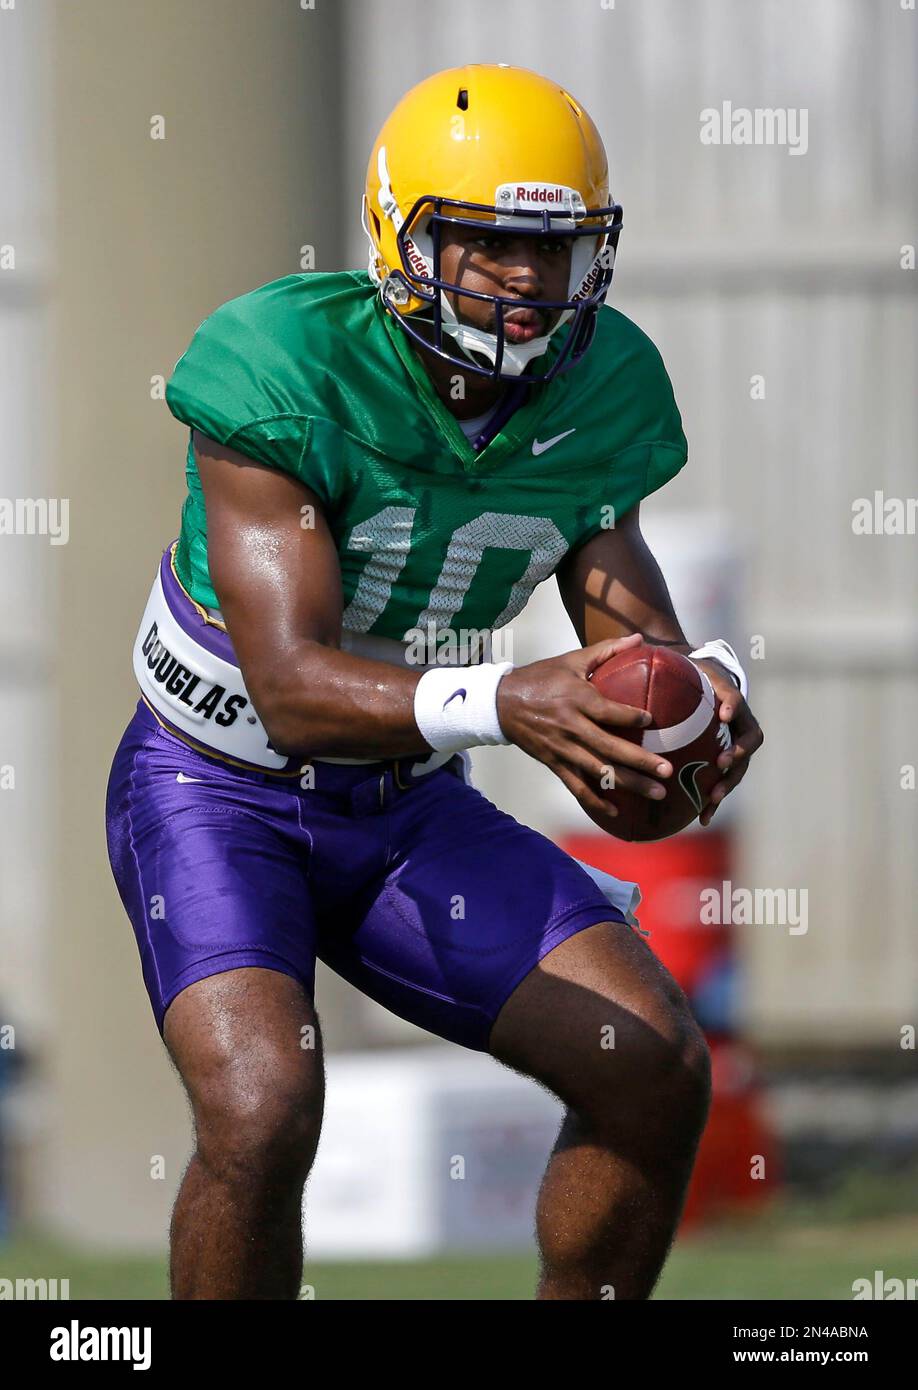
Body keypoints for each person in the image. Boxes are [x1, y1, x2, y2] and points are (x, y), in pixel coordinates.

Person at [106, 63, 763, 1300]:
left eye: (553, 248)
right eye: (486, 242)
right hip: (219, 787)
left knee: (653, 1061)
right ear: (406, 235)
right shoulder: (284, 359)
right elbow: (292, 686)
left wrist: (701, 696)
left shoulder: (606, 383)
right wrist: (507, 701)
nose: (524, 279)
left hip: (403, 803)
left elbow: (628, 609)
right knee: (261, 1105)